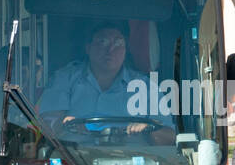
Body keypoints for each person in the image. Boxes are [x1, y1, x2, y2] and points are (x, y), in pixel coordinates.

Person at [39, 22, 174, 145]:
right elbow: (47, 126)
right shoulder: (64, 79)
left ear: (125, 50)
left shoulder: (145, 87)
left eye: (118, 43)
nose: (110, 50)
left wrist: (148, 129)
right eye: (102, 42)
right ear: (88, 48)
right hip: (74, 164)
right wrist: (64, 123)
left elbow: (170, 137)